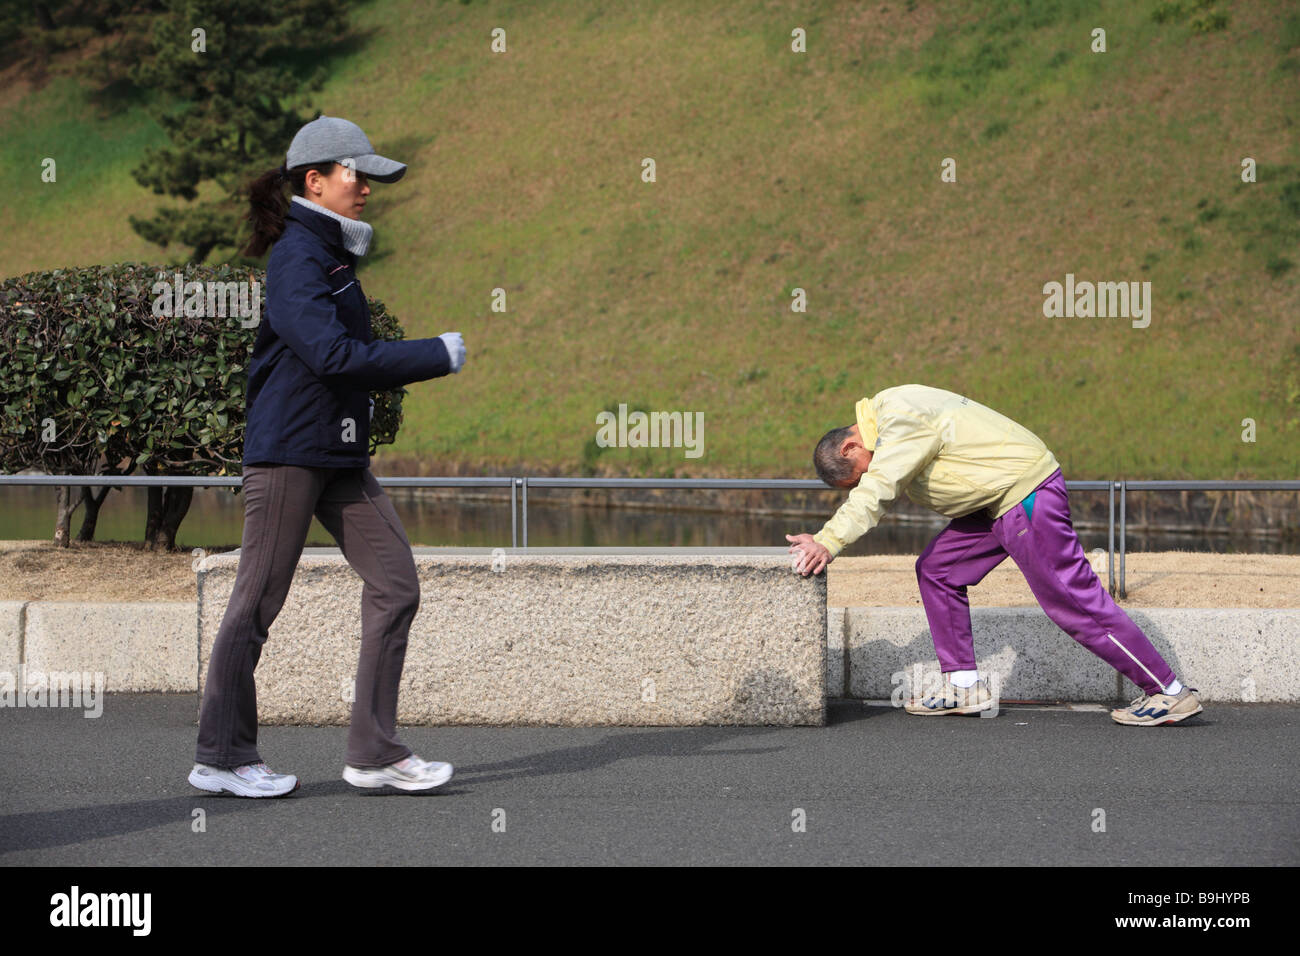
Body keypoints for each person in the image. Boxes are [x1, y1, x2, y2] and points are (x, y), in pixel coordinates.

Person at [188, 115, 466, 797]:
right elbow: (333, 356)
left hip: (336, 457)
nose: (367, 187)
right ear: (316, 180)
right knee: (255, 601)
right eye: (356, 173)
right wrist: (435, 353)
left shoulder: (329, 255)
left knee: (397, 584)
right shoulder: (298, 258)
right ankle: (221, 756)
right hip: (289, 456)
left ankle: (373, 751)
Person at [785, 383, 1202, 726]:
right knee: (938, 570)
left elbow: (881, 488)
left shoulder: (898, 416)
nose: (865, 482)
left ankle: (1167, 692)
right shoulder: (891, 415)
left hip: (1023, 494)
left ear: (849, 448)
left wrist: (829, 540)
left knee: (1072, 601)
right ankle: (964, 687)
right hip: (993, 503)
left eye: (858, 476)